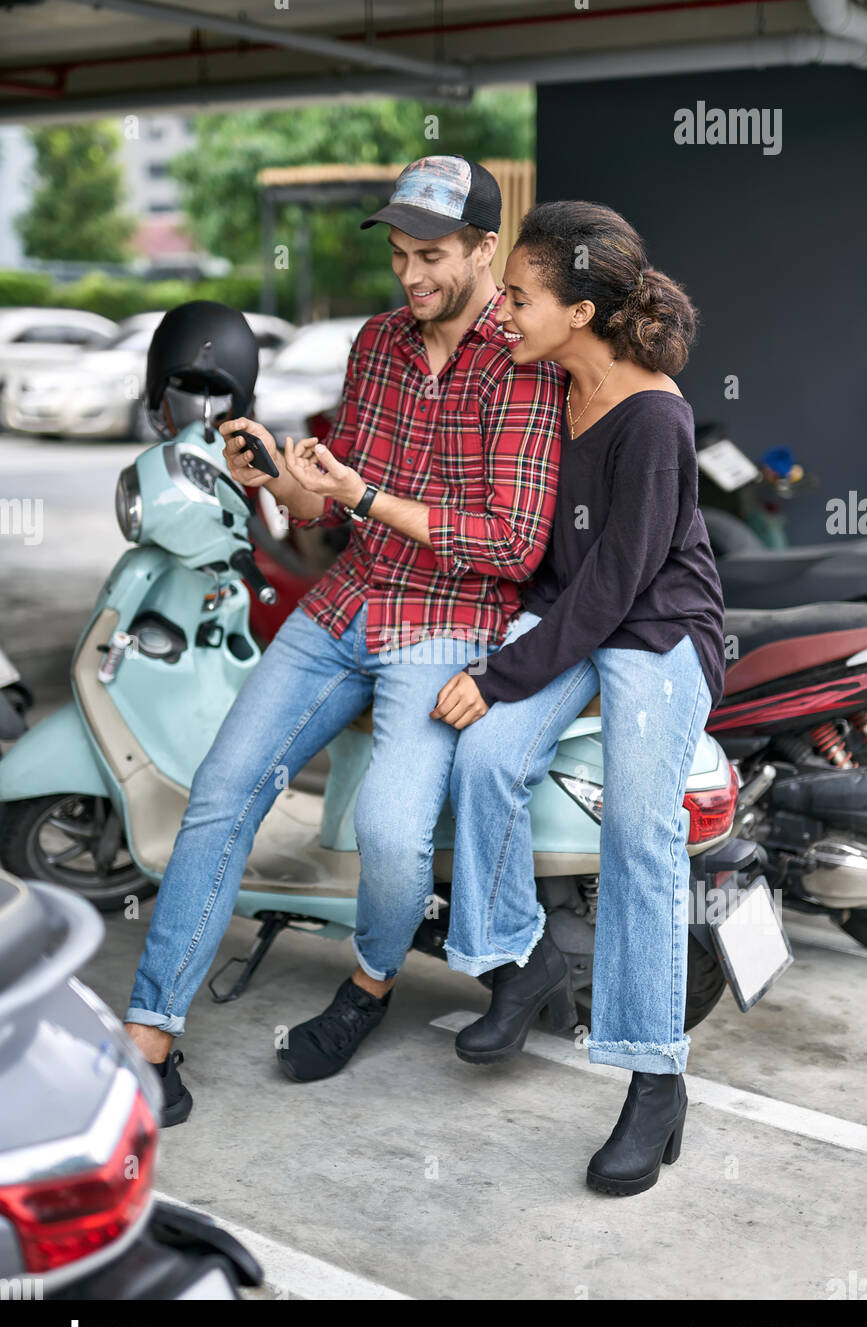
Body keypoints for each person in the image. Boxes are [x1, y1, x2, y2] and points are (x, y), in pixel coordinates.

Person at [122, 156, 564, 1120]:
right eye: (401, 255)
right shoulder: (376, 343)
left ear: (485, 249)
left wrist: (360, 494)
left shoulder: (522, 357)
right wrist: (279, 478)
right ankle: (149, 1037)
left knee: (394, 836)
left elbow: (510, 543)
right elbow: (340, 508)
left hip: (448, 625)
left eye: (433, 256)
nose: (411, 278)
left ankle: (367, 986)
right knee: (221, 796)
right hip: (346, 604)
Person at [429, 200, 727, 1197]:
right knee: (482, 755)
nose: (503, 312)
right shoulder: (544, 390)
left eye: (519, 297)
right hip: (575, 617)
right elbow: (558, 574)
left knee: (638, 831)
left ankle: (654, 1077)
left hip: (659, 629)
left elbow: (618, 585)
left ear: (584, 311)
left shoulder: (657, 417)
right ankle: (523, 961)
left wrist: (499, 672)